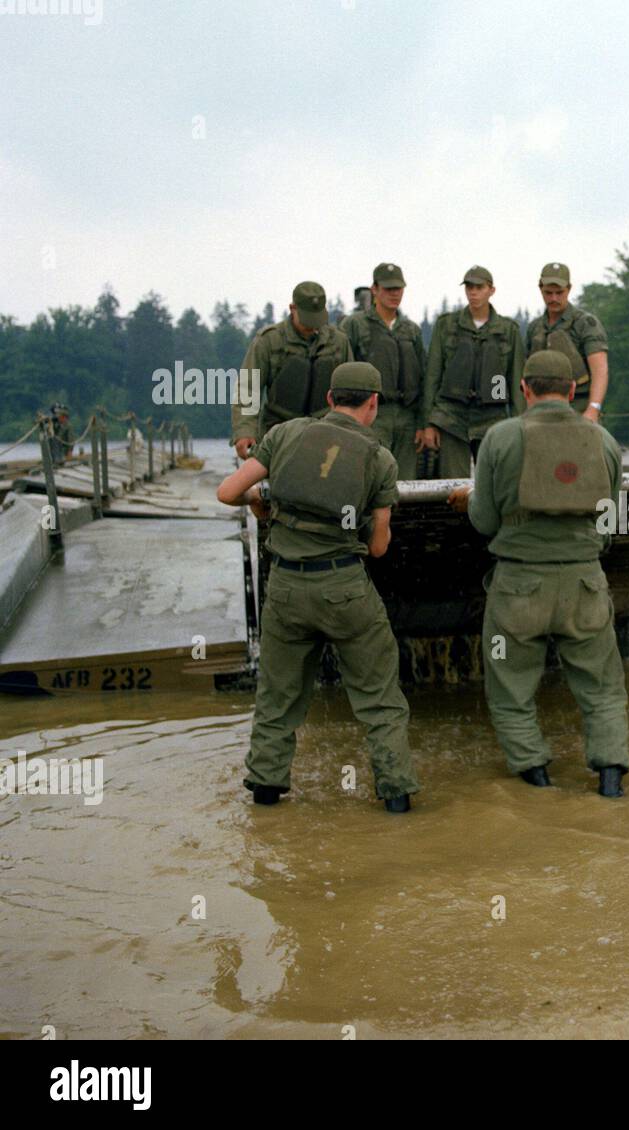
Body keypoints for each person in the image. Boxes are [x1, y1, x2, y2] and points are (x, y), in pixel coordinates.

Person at [216, 361, 420, 812]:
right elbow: (380, 546)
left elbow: (228, 492)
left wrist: (261, 504)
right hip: (345, 588)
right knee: (379, 700)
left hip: (287, 588)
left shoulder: (285, 435)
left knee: (277, 697)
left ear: (329, 400)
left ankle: (266, 791)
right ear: (373, 404)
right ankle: (397, 797)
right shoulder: (380, 459)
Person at [447, 350, 629, 797]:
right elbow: (610, 521)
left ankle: (538, 783)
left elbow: (485, 520)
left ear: (524, 389)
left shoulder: (500, 437)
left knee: (511, 691)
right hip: (586, 584)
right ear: (572, 391)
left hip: (518, 589)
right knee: (603, 690)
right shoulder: (602, 440)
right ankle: (610, 784)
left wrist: (466, 499)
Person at [420, 265, 525, 478]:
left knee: (495, 482)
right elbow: (432, 376)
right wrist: (428, 423)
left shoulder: (508, 331)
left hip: (493, 417)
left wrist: (519, 427)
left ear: (491, 290)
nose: (473, 292)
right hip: (451, 416)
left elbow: (516, 384)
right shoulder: (446, 326)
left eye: (479, 287)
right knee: (452, 486)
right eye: (469, 287)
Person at [230, 281, 353, 459]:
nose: (312, 325)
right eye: (307, 318)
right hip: (279, 432)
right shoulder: (269, 341)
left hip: (328, 432)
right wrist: (244, 430)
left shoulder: (339, 342)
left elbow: (351, 392)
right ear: (292, 308)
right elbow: (249, 387)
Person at [339, 262, 428, 479]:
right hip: (371, 416)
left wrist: (423, 423)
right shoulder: (355, 325)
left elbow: (425, 378)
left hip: (407, 418)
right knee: (372, 479)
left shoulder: (411, 330)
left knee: (406, 484)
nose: (394, 294)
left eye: (398, 289)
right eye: (388, 289)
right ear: (375, 289)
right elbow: (341, 372)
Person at [524, 262, 608, 422]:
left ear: (569, 289)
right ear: (540, 289)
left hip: (577, 409)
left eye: (559, 292)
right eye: (548, 293)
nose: (553, 298)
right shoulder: (534, 328)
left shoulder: (586, 324)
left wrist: (593, 409)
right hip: (538, 413)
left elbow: (600, 371)